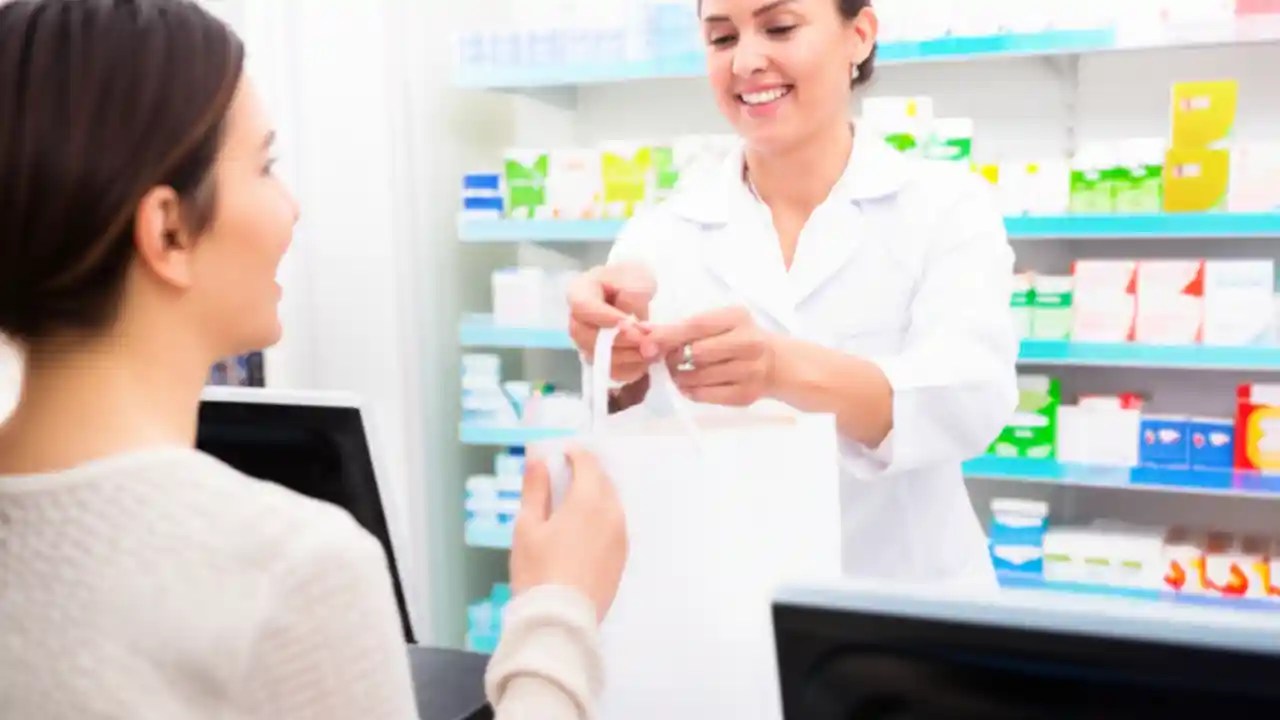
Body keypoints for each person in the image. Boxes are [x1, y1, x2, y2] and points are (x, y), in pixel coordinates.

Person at [0, 1, 624, 718]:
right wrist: (556, 615)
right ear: (168, 230)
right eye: (265, 166)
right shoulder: (290, 571)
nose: (291, 207)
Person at [568, 0, 1018, 586]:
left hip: (907, 600)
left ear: (859, 34)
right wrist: (612, 359)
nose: (747, 61)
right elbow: (636, 437)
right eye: (722, 38)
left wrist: (779, 368)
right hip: (727, 603)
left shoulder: (945, 205)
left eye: (779, 27)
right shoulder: (660, 232)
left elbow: (968, 398)